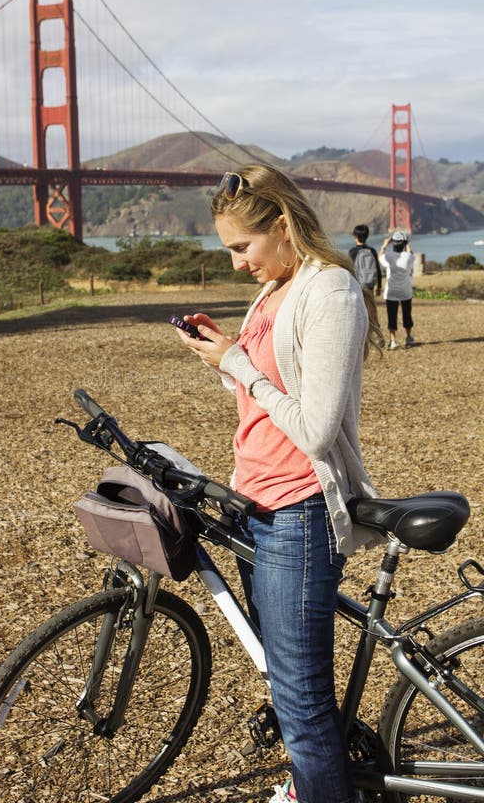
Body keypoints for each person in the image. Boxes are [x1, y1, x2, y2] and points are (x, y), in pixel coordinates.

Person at [174, 164, 383, 803]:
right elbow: (262, 399)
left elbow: (315, 430)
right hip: (252, 503)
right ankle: (318, 783)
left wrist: (239, 362)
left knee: (300, 698)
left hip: (298, 510)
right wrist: (223, 357)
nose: (237, 263)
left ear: (284, 225)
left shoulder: (331, 291)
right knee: (286, 679)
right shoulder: (273, 290)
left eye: (243, 246)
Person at [379, 230, 415, 349]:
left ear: (393, 243)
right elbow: (411, 253)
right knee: (407, 315)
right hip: (405, 291)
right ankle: (408, 337)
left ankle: (393, 341)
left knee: (392, 316)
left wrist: (385, 244)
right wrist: (407, 243)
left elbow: (380, 256)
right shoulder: (409, 257)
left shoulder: (388, 257)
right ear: (404, 244)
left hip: (391, 291)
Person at [349, 223, 382, 295]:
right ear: (367, 236)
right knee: (370, 301)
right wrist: (379, 286)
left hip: (358, 285)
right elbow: (378, 269)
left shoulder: (353, 252)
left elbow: (349, 270)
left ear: (355, 236)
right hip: (370, 284)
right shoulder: (372, 251)